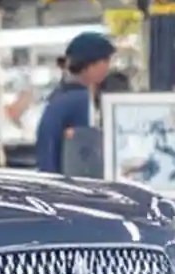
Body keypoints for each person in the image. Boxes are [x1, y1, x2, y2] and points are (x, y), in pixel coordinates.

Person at [35, 32, 115, 174]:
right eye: (106, 61)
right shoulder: (79, 99)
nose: (108, 67)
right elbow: (85, 152)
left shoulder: (60, 96)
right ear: (91, 64)